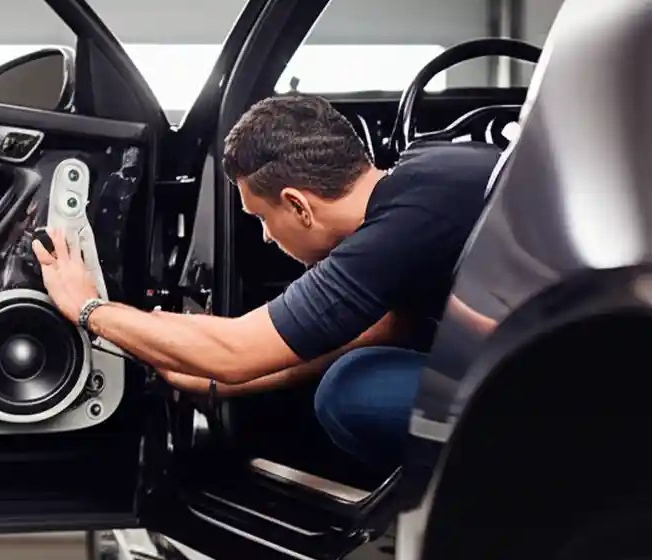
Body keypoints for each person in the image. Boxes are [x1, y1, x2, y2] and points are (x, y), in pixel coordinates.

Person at [33, 95, 501, 471]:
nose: (265, 235)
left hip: (560, 398)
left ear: (298, 206)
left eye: (261, 217)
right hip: (550, 348)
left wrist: (89, 309)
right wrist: (224, 384)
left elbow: (236, 350)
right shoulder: (432, 165)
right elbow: (386, 327)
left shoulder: (393, 234)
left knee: (353, 392)